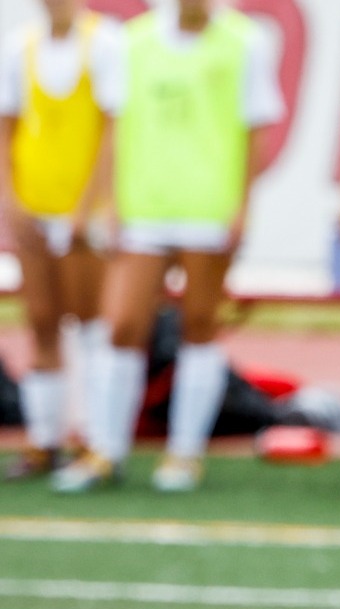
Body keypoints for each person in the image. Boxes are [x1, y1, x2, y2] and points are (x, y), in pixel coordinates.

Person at [49, 0, 283, 494]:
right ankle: (106, 450)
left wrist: (243, 207)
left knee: (200, 326)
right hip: (144, 205)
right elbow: (114, 127)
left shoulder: (244, 40)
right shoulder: (132, 42)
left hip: (207, 205)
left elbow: (253, 131)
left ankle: (184, 452)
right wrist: (107, 202)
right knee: (123, 326)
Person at [0, 0, 118, 483]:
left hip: (81, 214)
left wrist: (87, 207)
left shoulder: (105, 43)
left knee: (89, 325)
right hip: (34, 208)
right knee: (42, 321)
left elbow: (113, 131)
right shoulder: (18, 47)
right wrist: (10, 198)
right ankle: (44, 439)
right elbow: (7, 130)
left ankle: (92, 438)